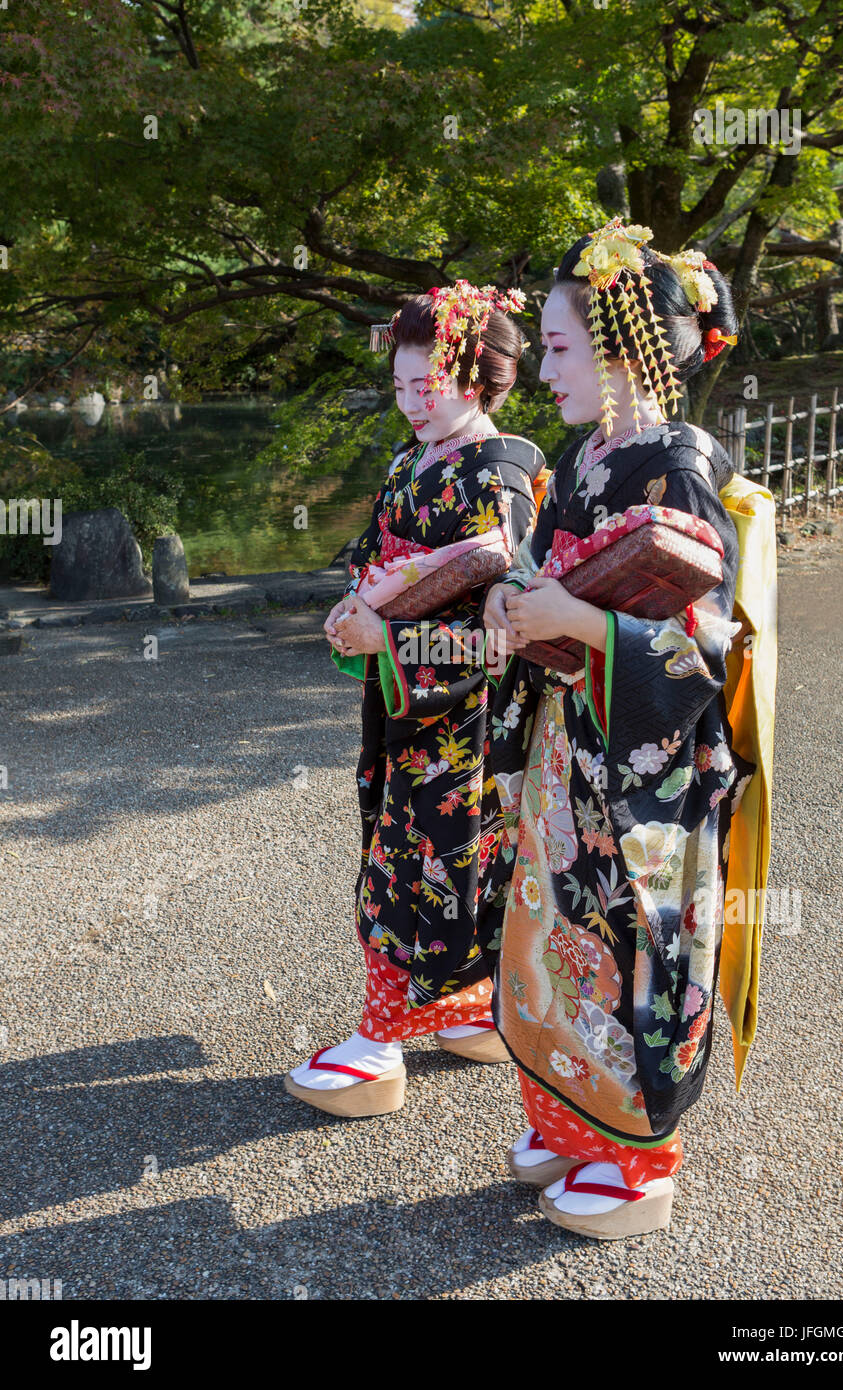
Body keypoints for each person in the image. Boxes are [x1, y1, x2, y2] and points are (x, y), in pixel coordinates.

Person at [482, 220, 776, 1237]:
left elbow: (707, 640)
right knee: (558, 934)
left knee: (636, 943)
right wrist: (510, 603)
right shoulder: (585, 456)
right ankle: (574, 1115)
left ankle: (642, 1156)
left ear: (616, 350)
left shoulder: (679, 462)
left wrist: (584, 622)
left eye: (557, 350)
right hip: (577, 741)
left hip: (650, 764)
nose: (541, 372)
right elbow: (538, 567)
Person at [285, 281, 547, 1117]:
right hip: (405, 701)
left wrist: (390, 637)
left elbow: (510, 626)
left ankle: (381, 1039)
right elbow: (376, 552)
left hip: (466, 709)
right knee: (397, 843)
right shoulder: (413, 460)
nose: (409, 406)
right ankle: (465, 1010)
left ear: (480, 380)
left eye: (423, 390)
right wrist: (354, 598)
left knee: (426, 861)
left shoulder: (503, 472)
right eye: (398, 388)